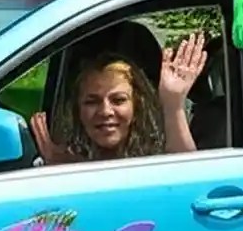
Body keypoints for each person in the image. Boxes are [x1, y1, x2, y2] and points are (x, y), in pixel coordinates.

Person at [30, 32, 207, 164]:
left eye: (118, 100)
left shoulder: (155, 157)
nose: (105, 111)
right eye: (92, 102)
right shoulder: (64, 156)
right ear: (78, 110)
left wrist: (173, 103)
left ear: (137, 105)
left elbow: (186, 174)